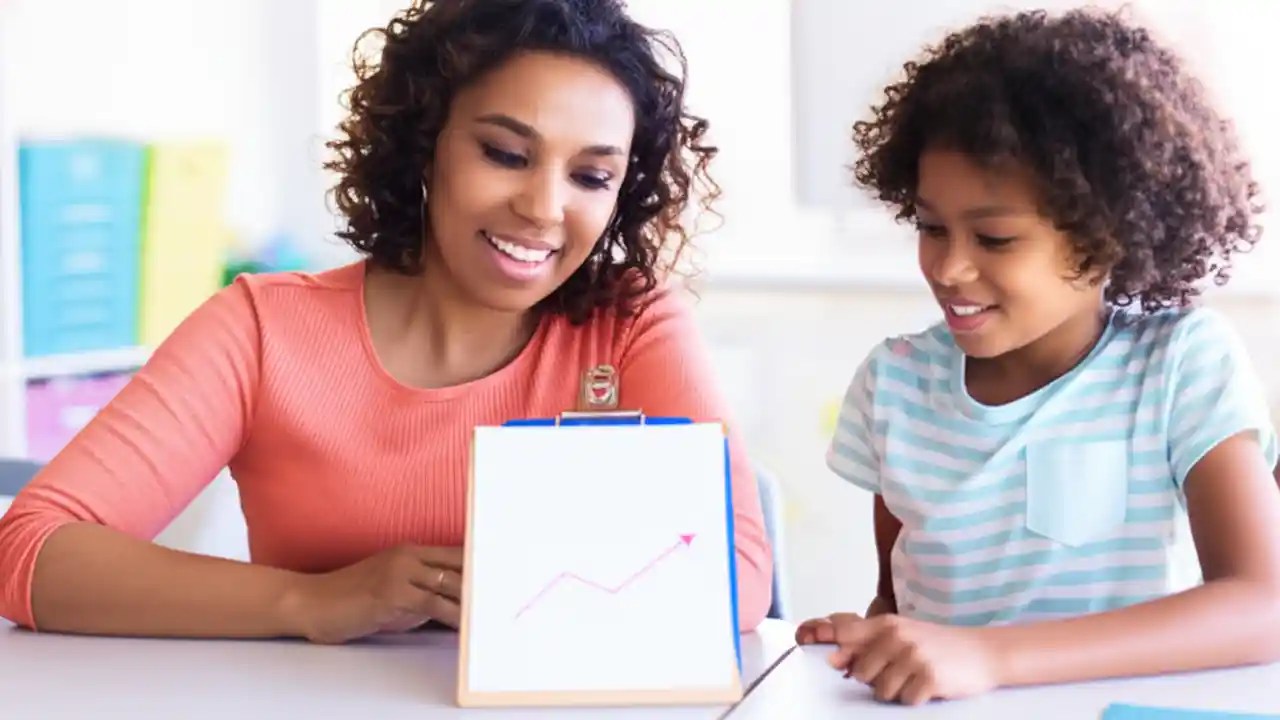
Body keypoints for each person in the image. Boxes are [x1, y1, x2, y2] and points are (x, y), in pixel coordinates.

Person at [0, 0, 772, 641]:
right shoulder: (263, 330)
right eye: (505, 153)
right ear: (424, 144)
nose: (543, 209)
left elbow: (735, 576)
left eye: (591, 175)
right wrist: (312, 601)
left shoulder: (630, 323)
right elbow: (29, 551)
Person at [797, 7, 1280, 706]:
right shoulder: (896, 382)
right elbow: (899, 607)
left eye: (994, 239)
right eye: (932, 227)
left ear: (1106, 235)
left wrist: (989, 656)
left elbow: (1265, 603)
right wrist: (874, 640)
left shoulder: (1180, 363)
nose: (949, 268)